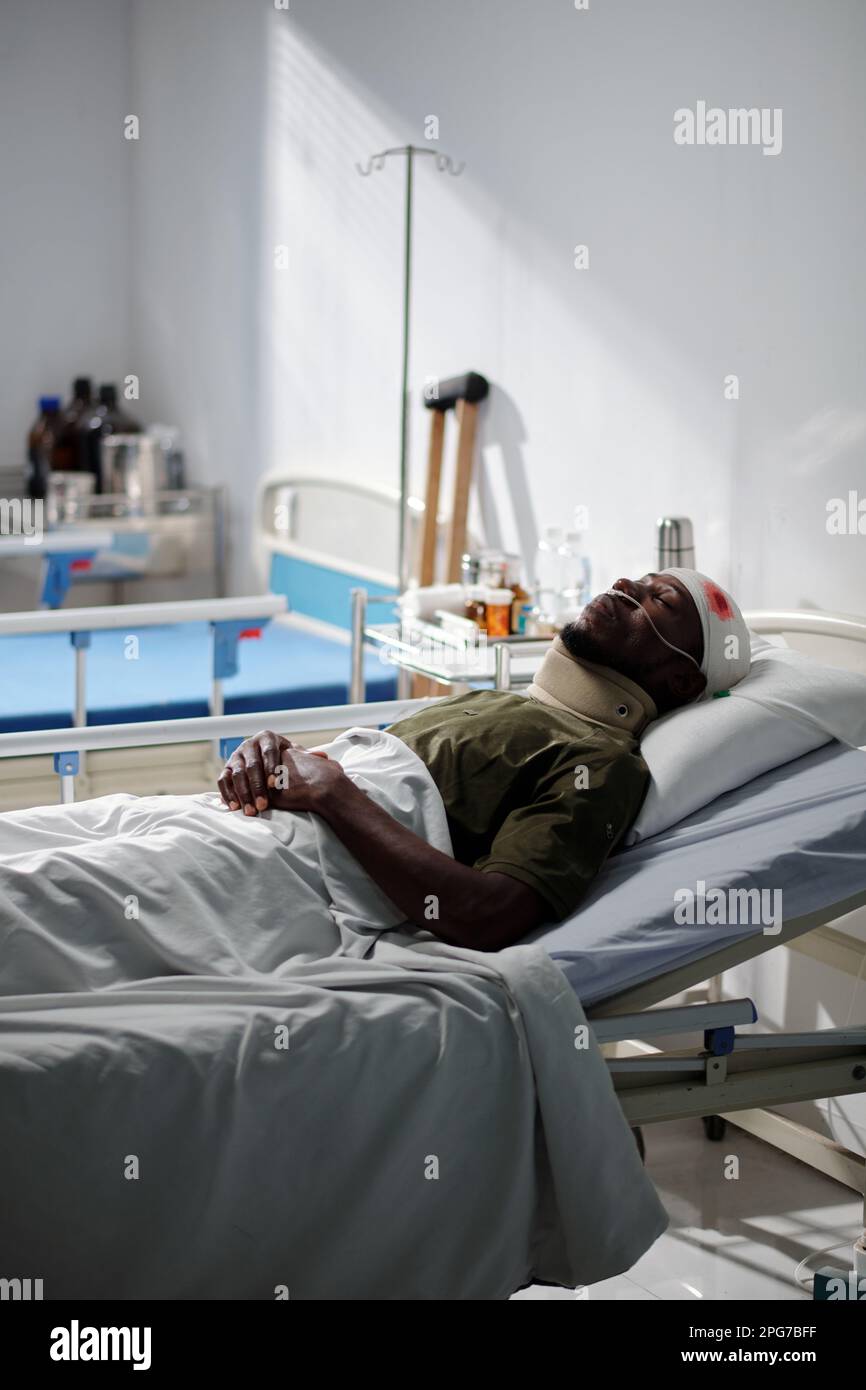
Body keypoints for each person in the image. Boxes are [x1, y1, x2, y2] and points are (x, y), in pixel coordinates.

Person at [218, 568, 751, 951]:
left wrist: (331, 791)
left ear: (681, 679)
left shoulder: (602, 763)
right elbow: (338, 776)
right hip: (232, 824)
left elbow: (490, 915)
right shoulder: (502, 703)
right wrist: (271, 754)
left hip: (274, 870)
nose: (625, 586)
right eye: (640, 578)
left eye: (661, 600)